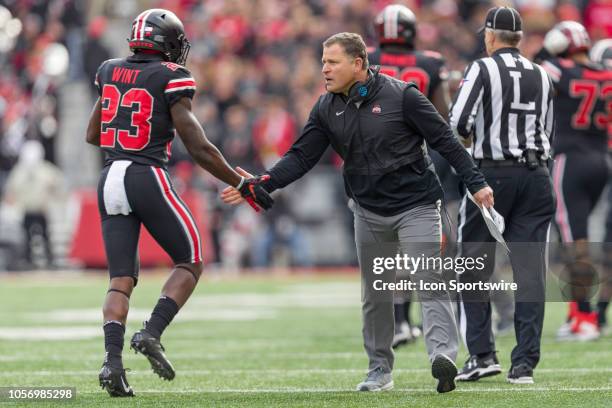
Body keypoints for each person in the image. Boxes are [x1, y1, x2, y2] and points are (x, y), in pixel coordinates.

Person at [222, 32, 493, 393]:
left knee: (430, 280)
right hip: (367, 210)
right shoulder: (325, 107)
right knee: (375, 293)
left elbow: (445, 139)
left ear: (358, 64)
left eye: (332, 62)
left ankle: (441, 356)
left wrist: (476, 182)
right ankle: (380, 368)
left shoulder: (403, 96)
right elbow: (301, 156)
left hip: (416, 205)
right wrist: (261, 183)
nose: (324, 69)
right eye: (323, 62)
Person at [86, 9, 273, 397]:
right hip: (144, 174)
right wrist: (242, 181)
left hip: (109, 178)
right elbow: (199, 147)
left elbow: (94, 133)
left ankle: (112, 363)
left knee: (119, 279)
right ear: (167, 42)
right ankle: (151, 332)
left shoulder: (109, 70)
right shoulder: (171, 76)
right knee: (191, 260)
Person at [450, 7, 555, 384]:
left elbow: (457, 123)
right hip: (537, 176)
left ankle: (481, 354)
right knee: (530, 273)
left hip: (491, 175)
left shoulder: (481, 68)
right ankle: (524, 364)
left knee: (473, 266)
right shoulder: (542, 75)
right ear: (520, 39)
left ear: (490, 36)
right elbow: (549, 134)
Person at [369, 4, 458, 349]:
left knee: (388, 245)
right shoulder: (431, 62)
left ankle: (400, 320)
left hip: (376, 157)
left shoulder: (368, 60)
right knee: (428, 244)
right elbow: (443, 115)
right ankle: (422, 321)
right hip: (422, 157)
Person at [535, 22, 612, 341]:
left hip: (570, 161)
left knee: (573, 242)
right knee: (581, 239)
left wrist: (548, 49)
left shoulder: (558, 70)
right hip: (601, 160)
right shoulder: (604, 74)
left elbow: (534, 69)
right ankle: (581, 313)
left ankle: (584, 317)